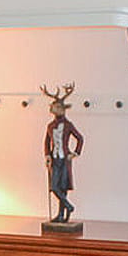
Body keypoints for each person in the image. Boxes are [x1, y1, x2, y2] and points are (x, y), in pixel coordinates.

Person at [41, 84, 84, 223]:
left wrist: (75, 153)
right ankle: (68, 206)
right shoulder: (50, 126)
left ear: (63, 109)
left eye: (57, 107)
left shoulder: (68, 125)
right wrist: (47, 155)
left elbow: (80, 138)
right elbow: (47, 141)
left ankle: (61, 215)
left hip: (65, 159)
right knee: (54, 186)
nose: (53, 109)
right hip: (55, 159)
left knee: (63, 187)